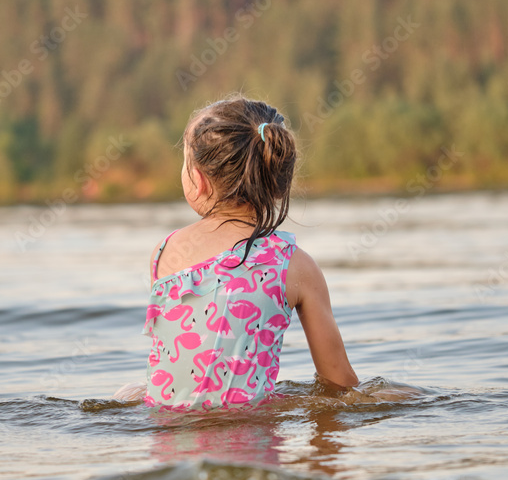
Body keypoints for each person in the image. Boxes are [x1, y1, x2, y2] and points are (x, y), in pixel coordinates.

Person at [114, 96, 358, 409]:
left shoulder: (165, 253)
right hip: (252, 437)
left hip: (171, 440)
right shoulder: (296, 266)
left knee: (130, 390)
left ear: (198, 180)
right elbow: (339, 382)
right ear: (279, 182)